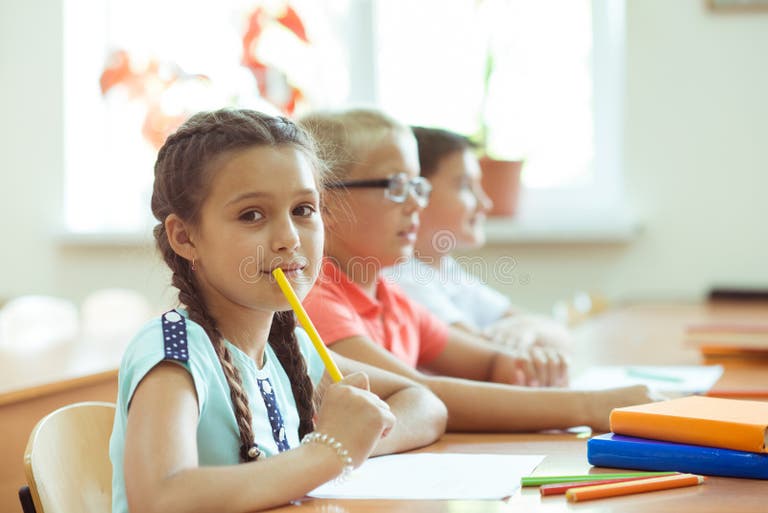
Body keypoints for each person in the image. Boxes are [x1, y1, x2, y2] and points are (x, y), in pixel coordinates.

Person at [109, 109, 447, 513]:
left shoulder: (292, 349)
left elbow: (425, 404)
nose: (288, 238)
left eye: (303, 210)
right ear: (185, 237)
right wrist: (328, 452)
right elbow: (160, 497)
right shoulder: (172, 351)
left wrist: (355, 442)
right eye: (252, 215)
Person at [299, 108, 653, 433]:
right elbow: (419, 393)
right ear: (326, 205)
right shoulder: (315, 298)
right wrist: (588, 407)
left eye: (417, 186)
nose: (416, 204)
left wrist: (523, 365)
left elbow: (489, 364)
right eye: (395, 186)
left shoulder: (393, 298)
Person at [382, 126, 572, 356]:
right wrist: (526, 331)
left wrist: (528, 328)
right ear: (416, 192)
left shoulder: (446, 272)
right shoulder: (404, 279)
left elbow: (559, 336)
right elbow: (489, 357)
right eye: (465, 186)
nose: (485, 204)